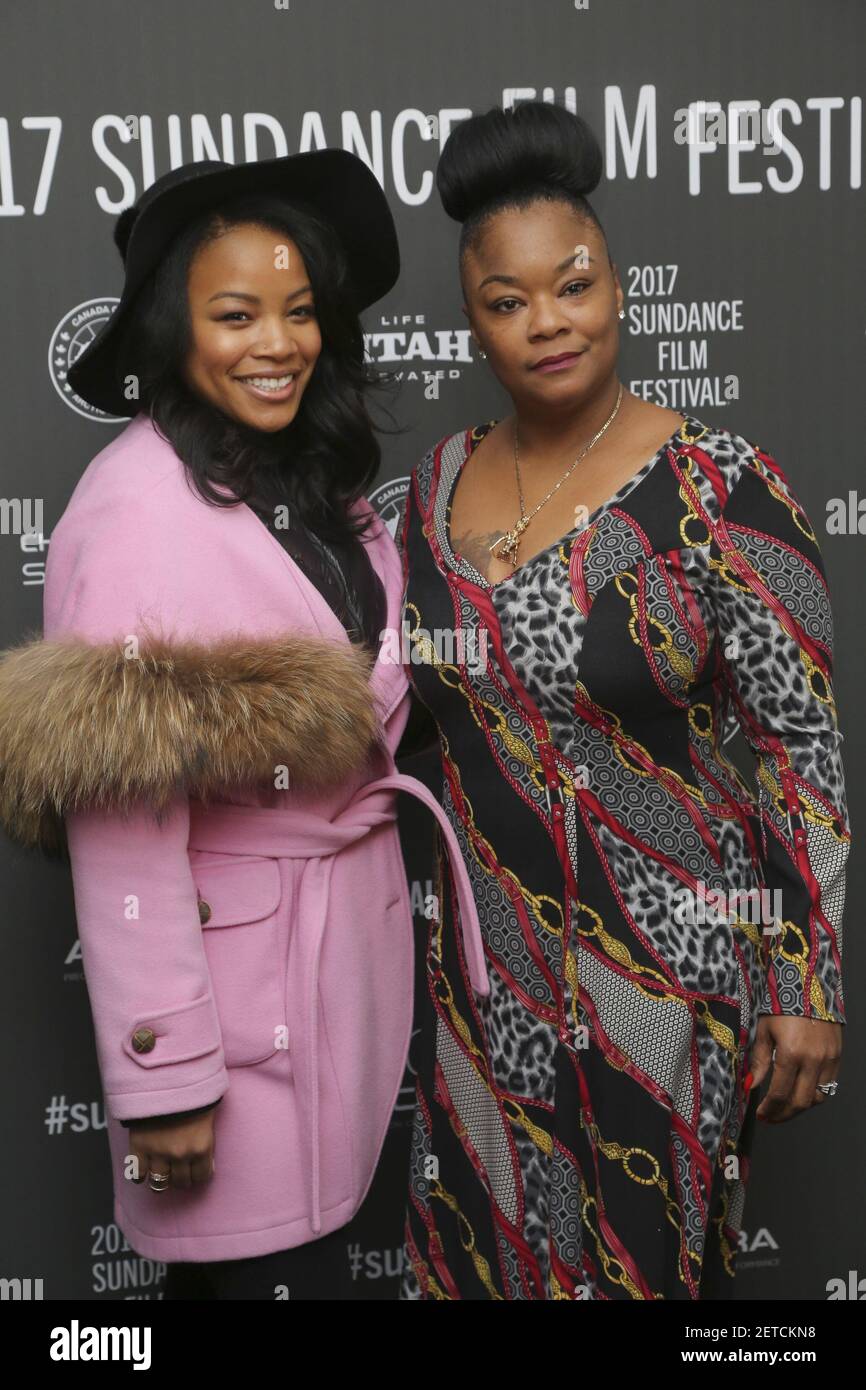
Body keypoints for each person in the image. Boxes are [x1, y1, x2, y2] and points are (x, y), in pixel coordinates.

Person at [0, 152, 488, 1300]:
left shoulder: (309, 481)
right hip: (235, 1020)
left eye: (300, 311)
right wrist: (163, 1075)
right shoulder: (130, 510)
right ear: (172, 331)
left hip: (335, 984)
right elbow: (118, 835)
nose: (278, 342)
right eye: (235, 315)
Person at [396, 102, 850, 1300]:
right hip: (479, 983)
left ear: (618, 287)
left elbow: (796, 740)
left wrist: (806, 980)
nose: (546, 320)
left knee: (637, 1278)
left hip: (660, 981)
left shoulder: (720, 485)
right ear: (474, 322)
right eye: (507, 300)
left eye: (573, 283)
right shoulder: (429, 490)